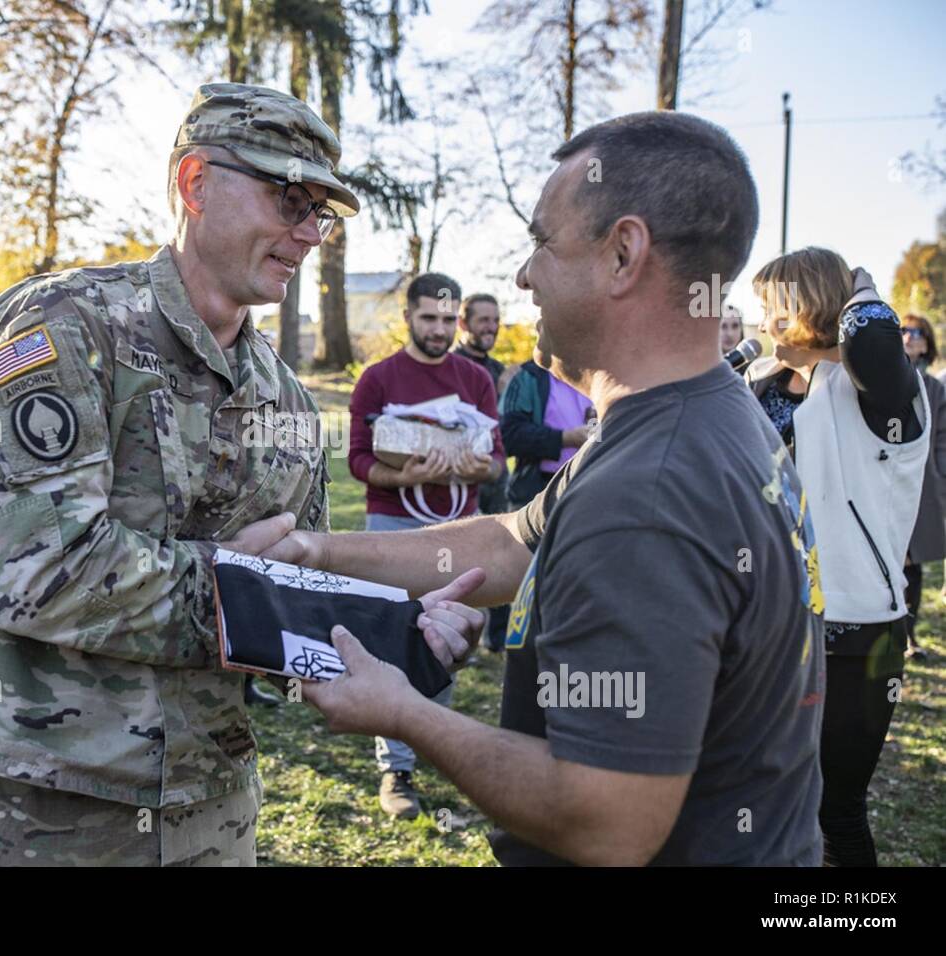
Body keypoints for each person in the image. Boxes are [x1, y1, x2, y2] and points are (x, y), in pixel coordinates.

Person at [0, 83, 481, 866]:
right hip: (41, 802)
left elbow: (290, 596)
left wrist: (401, 640)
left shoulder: (285, 397)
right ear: (195, 184)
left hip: (211, 806)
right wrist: (234, 585)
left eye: (321, 212)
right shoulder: (67, 327)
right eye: (290, 198)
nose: (309, 234)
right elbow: (33, 568)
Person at [253, 111, 827, 866]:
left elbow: (606, 822)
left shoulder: (648, 494)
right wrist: (315, 549)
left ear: (623, 254)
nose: (523, 276)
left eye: (541, 244)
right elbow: (513, 539)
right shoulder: (699, 410)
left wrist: (403, 712)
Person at [746, 249, 927, 867]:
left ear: (811, 306)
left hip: (855, 631)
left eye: (774, 304)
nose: (762, 318)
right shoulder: (757, 386)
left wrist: (862, 287)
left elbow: (875, 343)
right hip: (765, 625)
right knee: (767, 800)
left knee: (835, 810)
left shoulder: (885, 392)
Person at [347, 272, 503, 819]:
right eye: (429, 318)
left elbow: (499, 459)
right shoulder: (377, 379)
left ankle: (436, 748)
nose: (439, 329)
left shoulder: (476, 379)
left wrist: (476, 466)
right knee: (395, 642)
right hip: (393, 527)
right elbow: (358, 459)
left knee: (446, 642)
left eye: (447, 319)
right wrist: (402, 475)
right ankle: (397, 770)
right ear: (409, 316)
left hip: (459, 527)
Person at [454, 293, 513, 653]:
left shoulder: (502, 370)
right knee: (461, 562)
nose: (491, 327)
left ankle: (500, 638)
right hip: (458, 483)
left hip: (496, 480)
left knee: (503, 554)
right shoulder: (453, 366)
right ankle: (460, 639)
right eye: (483, 320)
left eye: (495, 320)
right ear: (464, 324)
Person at [499, 321, 593, 510]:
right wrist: (564, 438)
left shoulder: (597, 376)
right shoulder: (527, 378)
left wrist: (595, 428)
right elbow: (509, 436)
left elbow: (599, 427)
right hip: (536, 493)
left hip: (587, 487)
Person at [901, 313, 945, 660]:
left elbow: (943, 440)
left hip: (923, 487)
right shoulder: (884, 381)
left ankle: (909, 638)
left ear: (927, 342)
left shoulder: (936, 389)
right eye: (902, 330)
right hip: (888, 485)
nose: (909, 337)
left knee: (913, 565)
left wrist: (940, 475)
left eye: (916, 332)